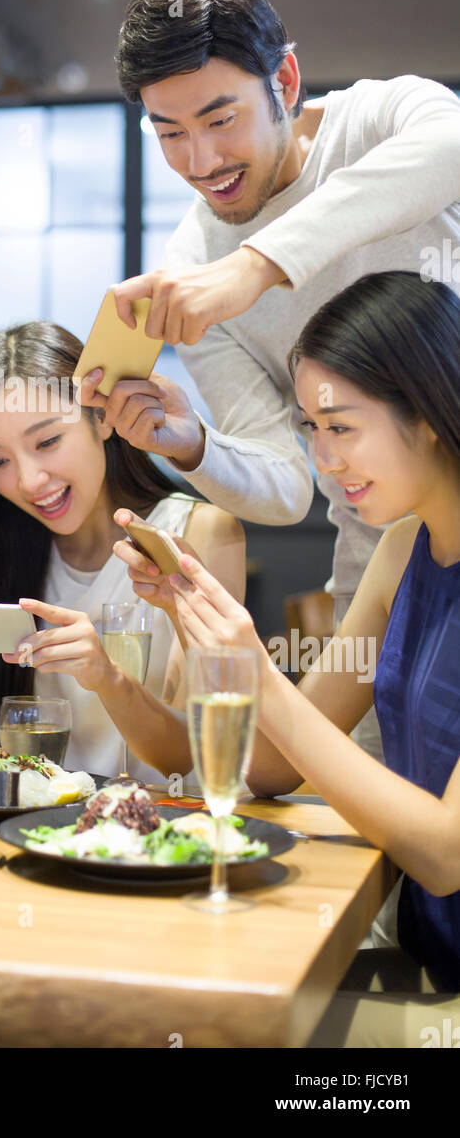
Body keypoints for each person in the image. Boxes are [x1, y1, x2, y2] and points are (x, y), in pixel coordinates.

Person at [84, 0, 460, 762]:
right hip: (381, 551)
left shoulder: (382, 120)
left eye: (222, 118)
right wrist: (190, 444)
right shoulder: (193, 268)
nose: (201, 160)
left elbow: (452, 146)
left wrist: (256, 266)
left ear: (283, 78)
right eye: (169, 132)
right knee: (370, 789)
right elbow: (290, 486)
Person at [115, 271, 460, 1039]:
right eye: (310, 427)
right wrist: (200, 620)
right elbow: (274, 768)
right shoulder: (405, 551)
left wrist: (262, 675)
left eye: (341, 426)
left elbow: (443, 853)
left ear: (430, 412)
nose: (322, 458)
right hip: (420, 954)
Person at [0, 321, 244, 783]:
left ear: (102, 418)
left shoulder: (199, 534)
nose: (30, 480)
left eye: (48, 442)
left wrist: (105, 676)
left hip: (163, 832)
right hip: (34, 829)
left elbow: (184, 756)